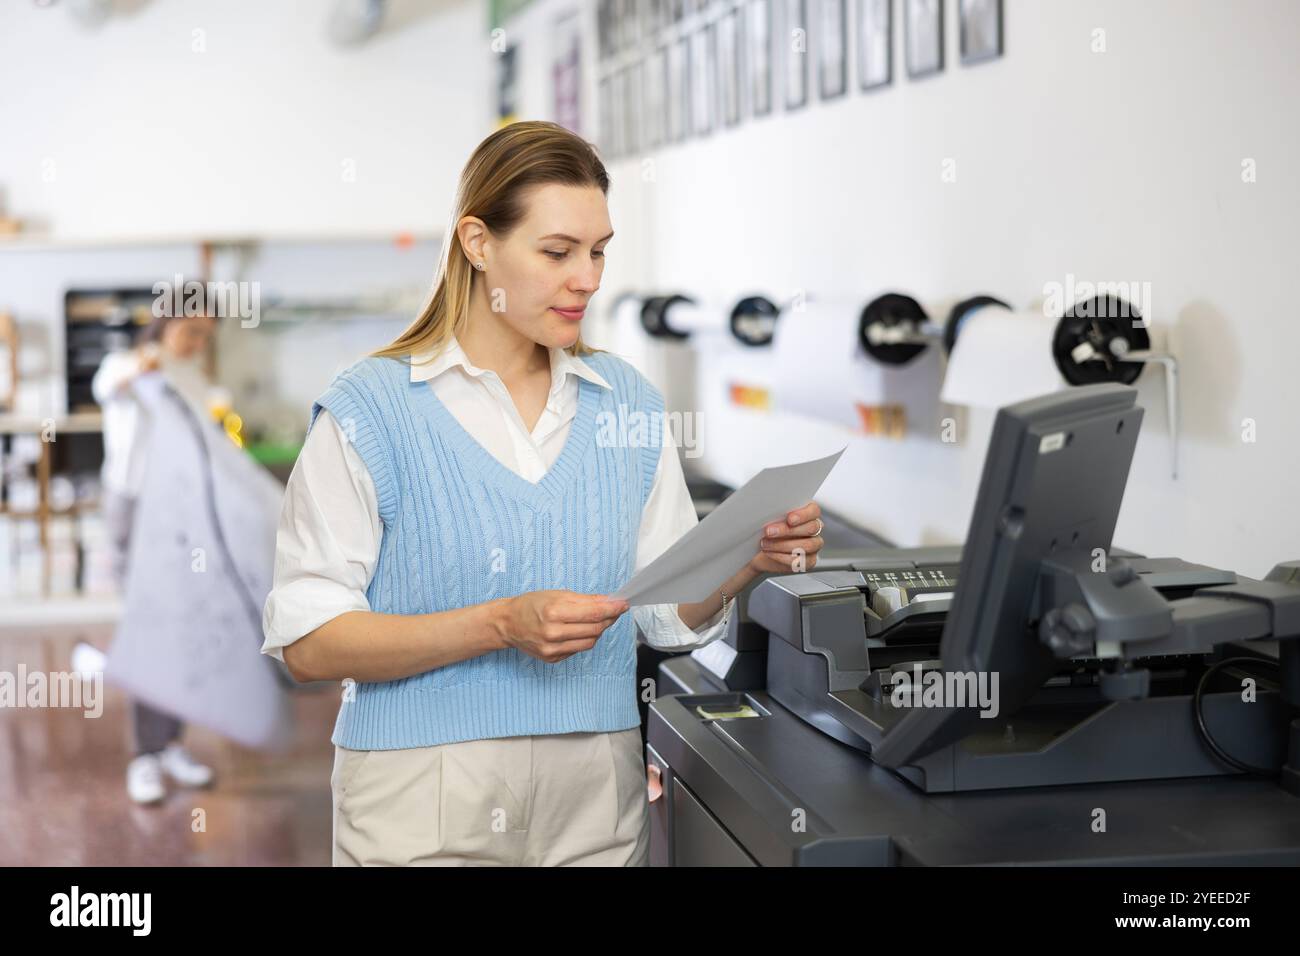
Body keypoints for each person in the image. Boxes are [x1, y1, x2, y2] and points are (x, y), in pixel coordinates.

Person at [260, 120, 825, 866]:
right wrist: (498, 624)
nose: (587, 278)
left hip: (595, 787)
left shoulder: (624, 402)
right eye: (557, 252)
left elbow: (661, 615)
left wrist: (745, 556)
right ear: (477, 242)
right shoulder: (372, 410)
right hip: (419, 792)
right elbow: (308, 643)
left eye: (598, 252)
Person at [92, 307, 219, 804]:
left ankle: (168, 746)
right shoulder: (124, 364)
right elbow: (110, 389)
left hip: (177, 513)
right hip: (132, 507)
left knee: (181, 632)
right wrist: (142, 367)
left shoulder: (194, 379)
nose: (195, 342)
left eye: (205, 336)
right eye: (190, 331)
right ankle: (145, 757)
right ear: (165, 324)